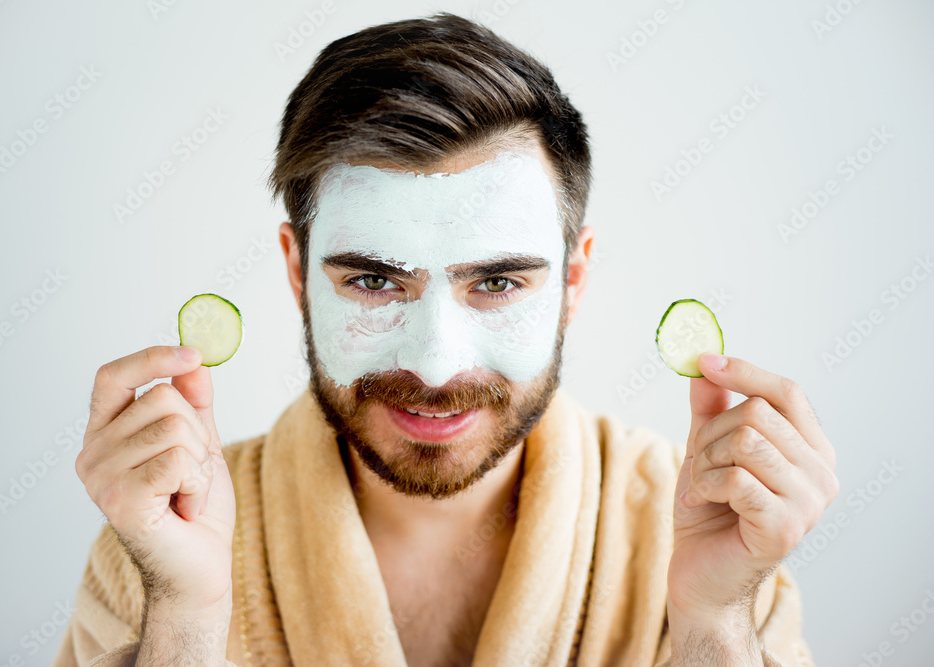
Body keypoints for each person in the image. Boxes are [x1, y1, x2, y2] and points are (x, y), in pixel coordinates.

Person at [54, 12, 838, 667]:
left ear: (573, 279)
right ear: (297, 272)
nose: (434, 365)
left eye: (496, 283)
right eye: (372, 281)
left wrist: (712, 622)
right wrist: (185, 621)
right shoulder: (159, 540)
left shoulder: (711, 529)